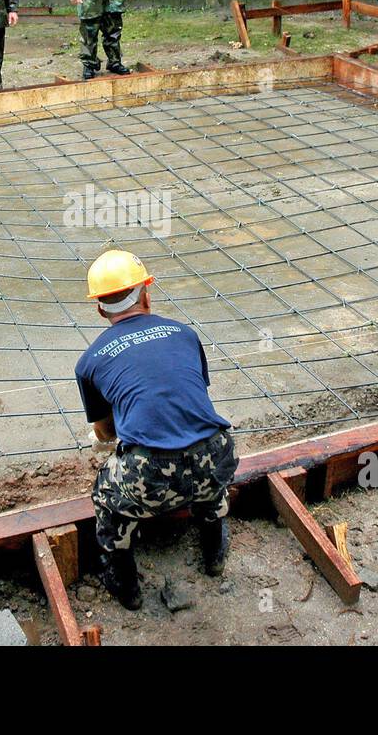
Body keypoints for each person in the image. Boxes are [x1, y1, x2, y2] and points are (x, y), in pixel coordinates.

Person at [75, 250, 238, 610]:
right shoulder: (184, 334)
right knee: (209, 477)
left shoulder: (89, 362)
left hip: (150, 478)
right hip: (218, 454)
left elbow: (105, 433)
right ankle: (214, 551)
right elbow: (185, 400)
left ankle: (125, 585)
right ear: (147, 293)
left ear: (100, 309)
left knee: (105, 494)